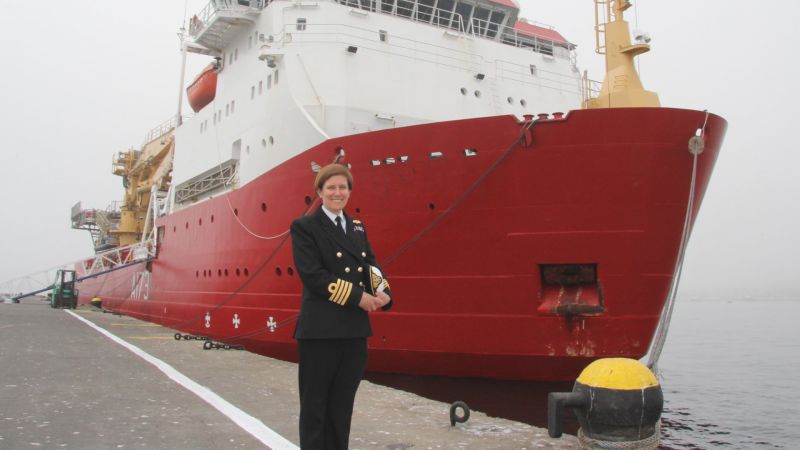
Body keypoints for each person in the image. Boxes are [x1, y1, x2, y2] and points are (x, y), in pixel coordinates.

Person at [290, 163, 393, 449]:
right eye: (331, 187)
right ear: (320, 191)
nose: (338, 192)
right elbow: (313, 276)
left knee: (341, 408)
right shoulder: (305, 227)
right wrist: (359, 297)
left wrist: (382, 291)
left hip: (353, 332)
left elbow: (369, 264)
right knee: (315, 409)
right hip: (320, 332)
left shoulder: (357, 227)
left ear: (350, 192)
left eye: (343, 187)